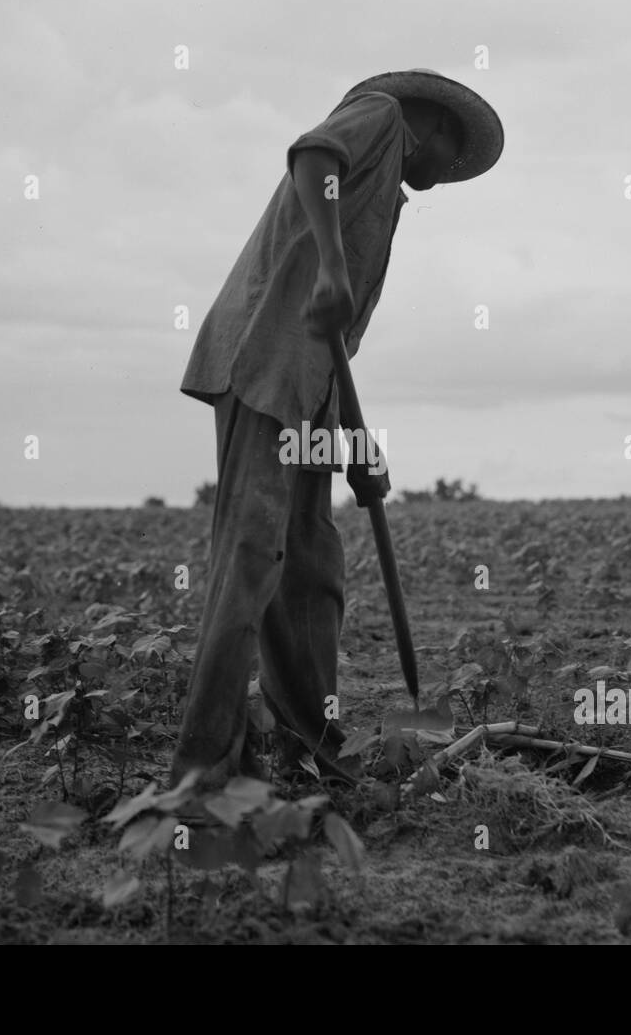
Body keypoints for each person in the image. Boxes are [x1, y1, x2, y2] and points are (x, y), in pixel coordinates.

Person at [173, 68, 504, 788]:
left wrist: (358, 447)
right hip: (263, 363)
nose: (446, 176)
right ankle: (200, 773)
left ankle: (308, 744)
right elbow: (312, 157)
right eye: (451, 158)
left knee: (313, 570)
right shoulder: (381, 116)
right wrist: (328, 264)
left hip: (307, 390)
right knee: (252, 559)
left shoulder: (382, 201)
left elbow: (336, 346)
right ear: (434, 125)